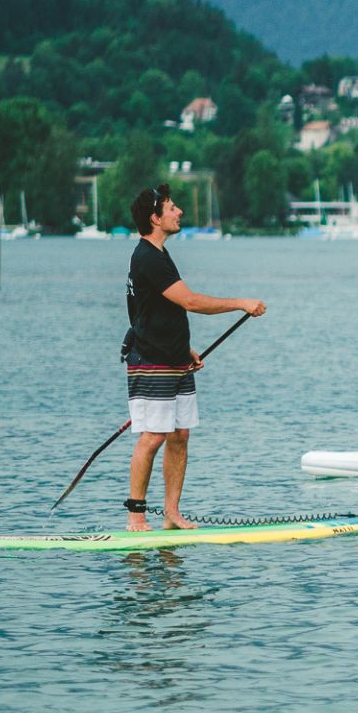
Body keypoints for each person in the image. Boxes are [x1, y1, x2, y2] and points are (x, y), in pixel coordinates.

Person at [122, 184, 265, 531]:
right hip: (151, 361)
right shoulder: (147, 258)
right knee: (153, 436)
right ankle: (136, 517)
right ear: (156, 218)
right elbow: (190, 302)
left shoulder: (160, 254)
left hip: (174, 358)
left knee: (179, 435)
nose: (179, 211)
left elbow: (155, 309)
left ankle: (172, 513)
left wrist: (183, 347)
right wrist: (240, 303)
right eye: (171, 207)